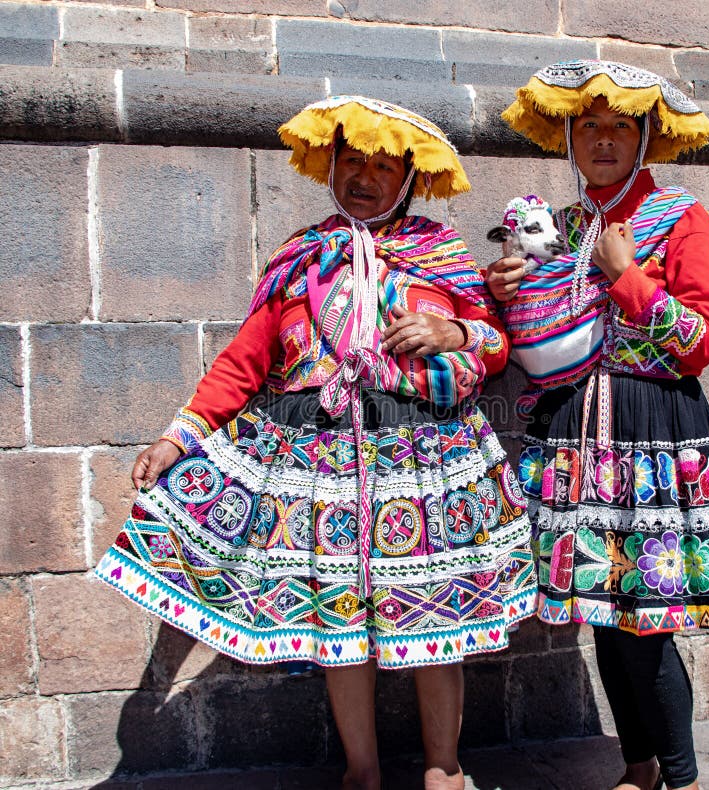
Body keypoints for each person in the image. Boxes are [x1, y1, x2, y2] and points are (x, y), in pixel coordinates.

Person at [95, 95, 537, 790]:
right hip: (319, 464)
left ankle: (443, 770)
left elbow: (494, 343)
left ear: (411, 179)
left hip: (420, 458)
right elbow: (243, 364)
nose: (364, 177)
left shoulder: (441, 256)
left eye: (382, 166)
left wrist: (454, 333)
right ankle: (362, 771)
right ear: (329, 166)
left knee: (434, 615)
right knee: (338, 621)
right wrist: (176, 440)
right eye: (351, 162)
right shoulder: (300, 260)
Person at [485, 61, 709, 790]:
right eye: (589, 127)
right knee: (601, 609)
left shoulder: (680, 217)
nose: (603, 141)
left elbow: (702, 339)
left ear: (644, 140)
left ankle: (684, 774)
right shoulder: (558, 230)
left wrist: (627, 277)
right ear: (570, 138)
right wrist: (498, 292)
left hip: (652, 430)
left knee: (647, 620)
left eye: (620, 127)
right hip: (576, 434)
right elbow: (529, 341)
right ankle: (638, 765)